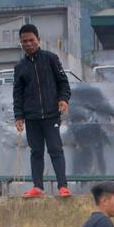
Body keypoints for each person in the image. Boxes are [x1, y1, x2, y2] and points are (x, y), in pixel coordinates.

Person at [12, 24, 71, 198]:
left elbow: (63, 83)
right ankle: (38, 187)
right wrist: (19, 116)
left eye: (31, 40)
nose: (29, 44)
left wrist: (63, 99)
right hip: (31, 117)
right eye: (25, 41)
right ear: (21, 43)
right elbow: (18, 94)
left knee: (55, 149)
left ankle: (62, 186)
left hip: (51, 114)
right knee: (36, 151)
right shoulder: (20, 67)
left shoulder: (51, 59)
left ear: (38, 39)